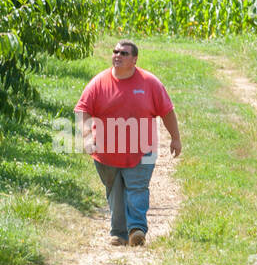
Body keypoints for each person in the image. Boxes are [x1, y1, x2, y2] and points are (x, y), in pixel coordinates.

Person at [73, 40, 181, 247]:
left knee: (136, 188)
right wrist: (86, 136)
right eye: (115, 52)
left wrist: (175, 138)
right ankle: (119, 233)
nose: (117, 55)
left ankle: (136, 229)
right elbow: (82, 109)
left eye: (123, 53)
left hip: (142, 149)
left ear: (134, 59)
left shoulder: (149, 83)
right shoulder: (99, 83)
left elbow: (167, 111)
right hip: (106, 150)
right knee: (114, 190)